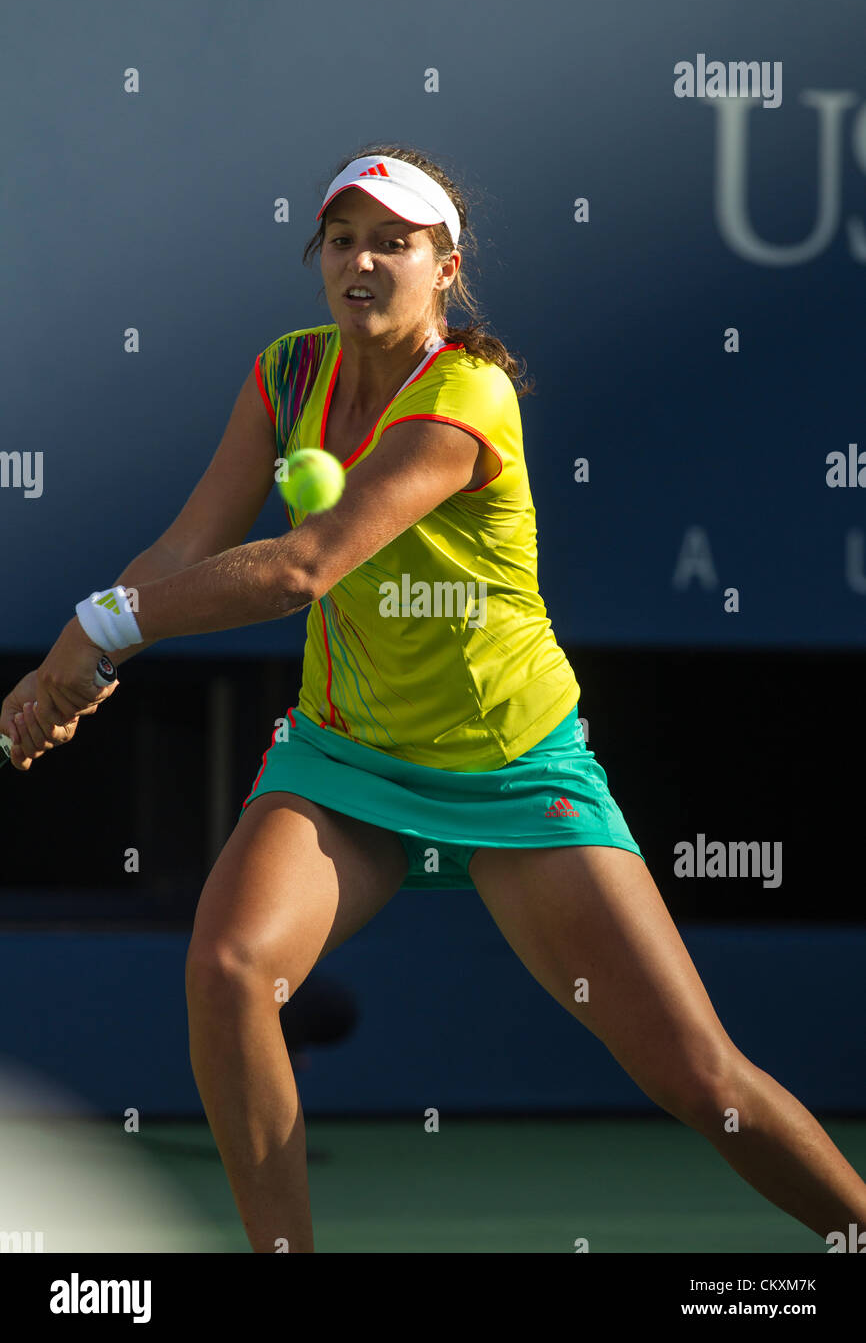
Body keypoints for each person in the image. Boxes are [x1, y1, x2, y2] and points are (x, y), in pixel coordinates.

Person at [3, 142, 865, 1255]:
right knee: (227, 969)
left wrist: (96, 630)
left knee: (702, 1079)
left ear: (444, 268)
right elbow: (183, 546)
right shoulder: (284, 374)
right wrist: (74, 667)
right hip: (344, 757)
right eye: (343, 238)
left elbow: (301, 566)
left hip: (513, 772)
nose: (362, 259)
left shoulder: (468, 390)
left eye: (393, 241)